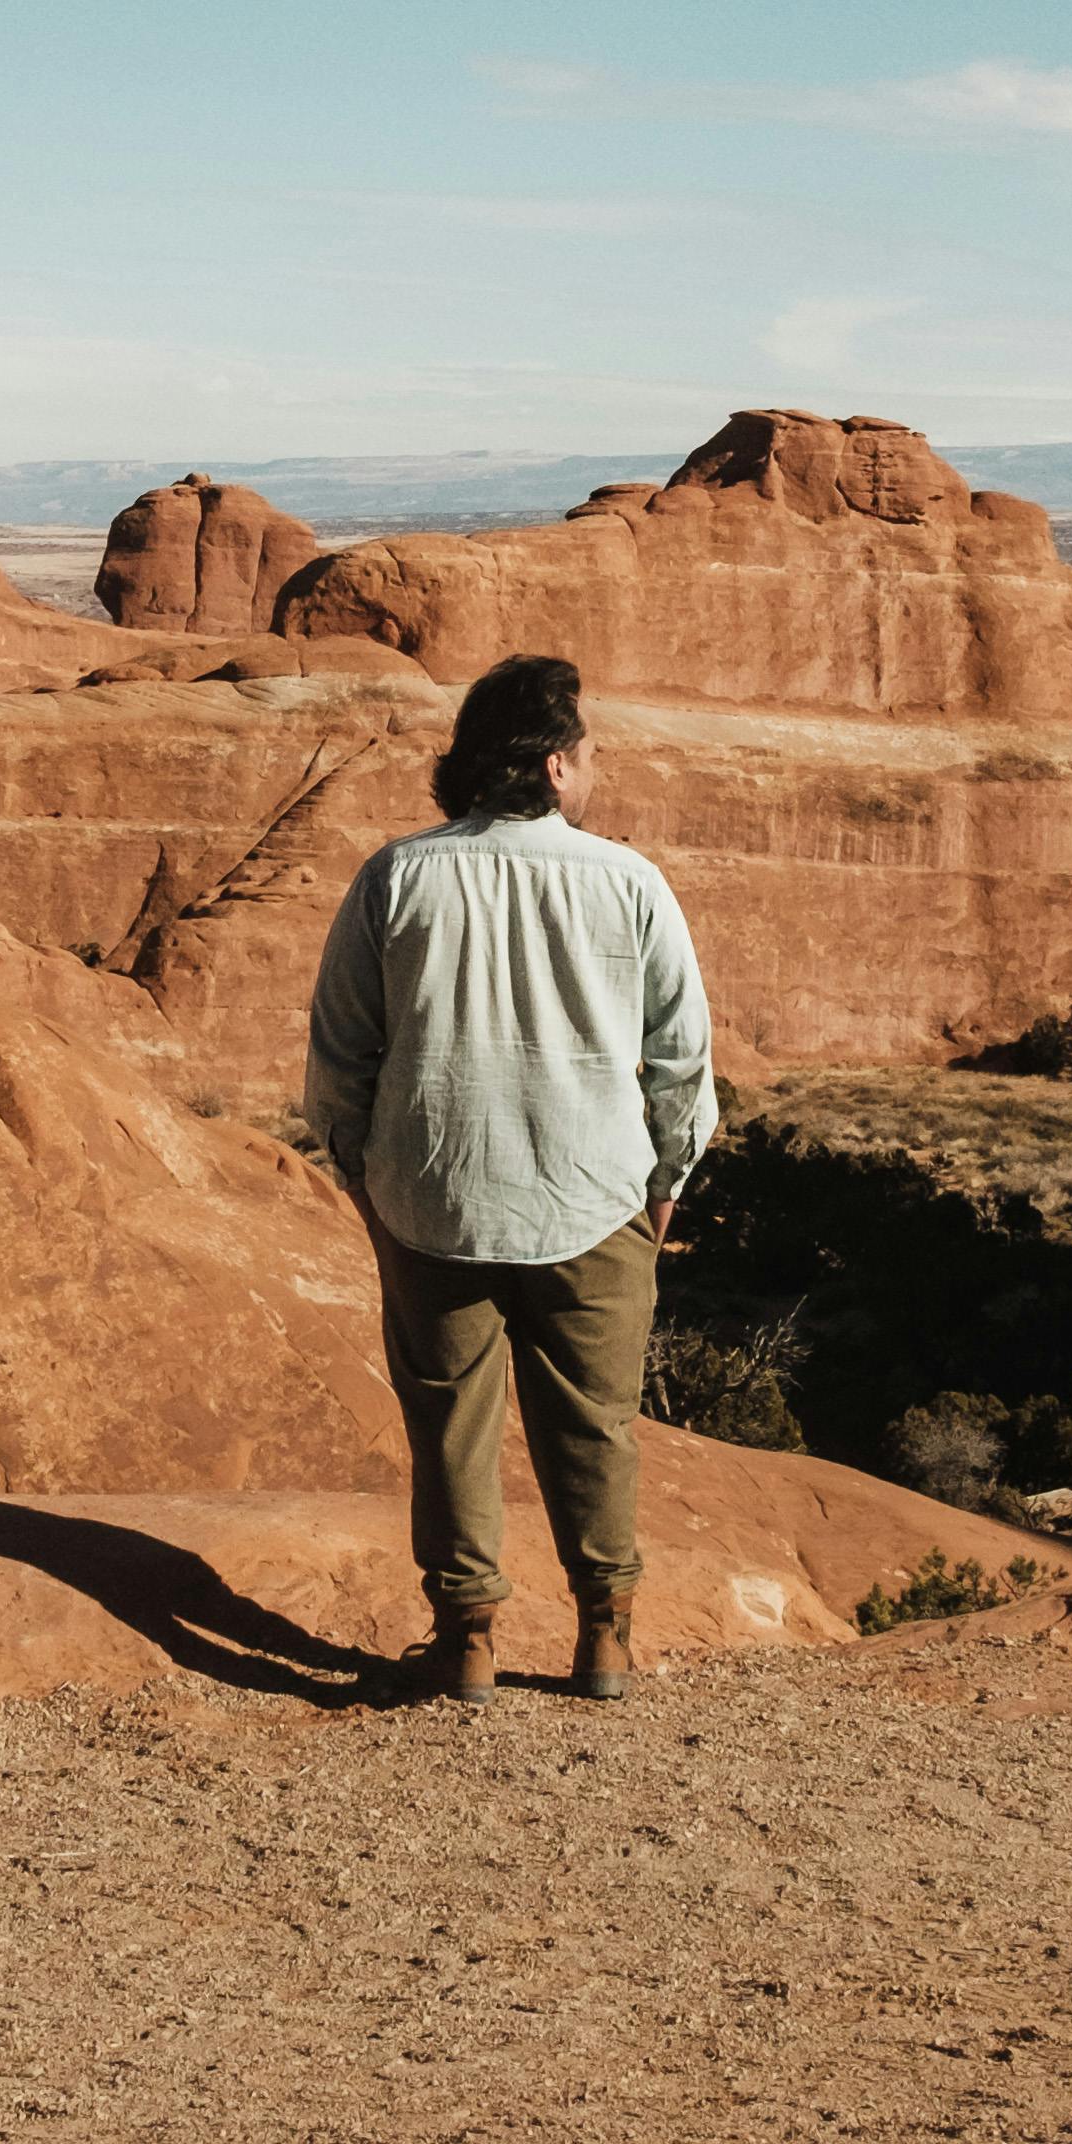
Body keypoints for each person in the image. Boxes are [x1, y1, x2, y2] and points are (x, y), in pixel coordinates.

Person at [302, 648, 716, 1707]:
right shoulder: (629, 881)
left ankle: (468, 1639)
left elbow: (340, 1054)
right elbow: (682, 1057)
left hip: (432, 1196)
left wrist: (365, 1174)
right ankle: (605, 1638)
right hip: (597, 1200)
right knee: (596, 1427)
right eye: (587, 748)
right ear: (559, 768)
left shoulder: (398, 875)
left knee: (450, 1427)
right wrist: (668, 1179)